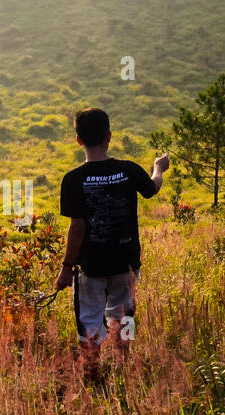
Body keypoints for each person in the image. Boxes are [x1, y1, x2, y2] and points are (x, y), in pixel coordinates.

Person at [55, 108, 168, 382]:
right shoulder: (128, 170)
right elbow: (152, 188)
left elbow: (78, 227)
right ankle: (125, 361)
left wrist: (67, 268)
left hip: (91, 268)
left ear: (78, 140)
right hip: (125, 263)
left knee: (89, 320)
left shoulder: (73, 180)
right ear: (109, 137)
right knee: (125, 313)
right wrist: (158, 168)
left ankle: (92, 375)